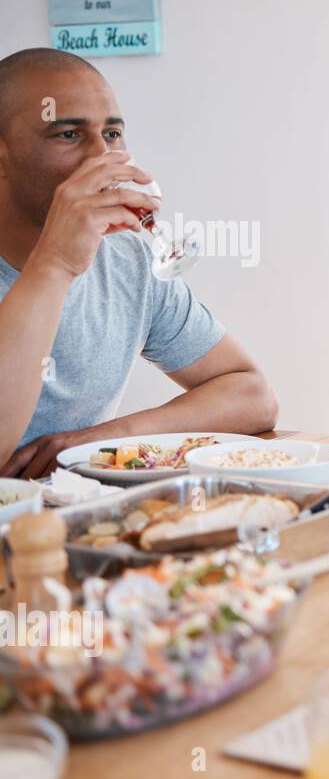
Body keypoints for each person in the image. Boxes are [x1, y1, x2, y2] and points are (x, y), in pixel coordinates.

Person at [0, 48, 276, 478]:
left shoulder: (129, 259)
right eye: (68, 135)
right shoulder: (63, 263)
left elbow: (253, 395)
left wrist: (106, 439)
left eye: (111, 135)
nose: (101, 159)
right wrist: (54, 264)